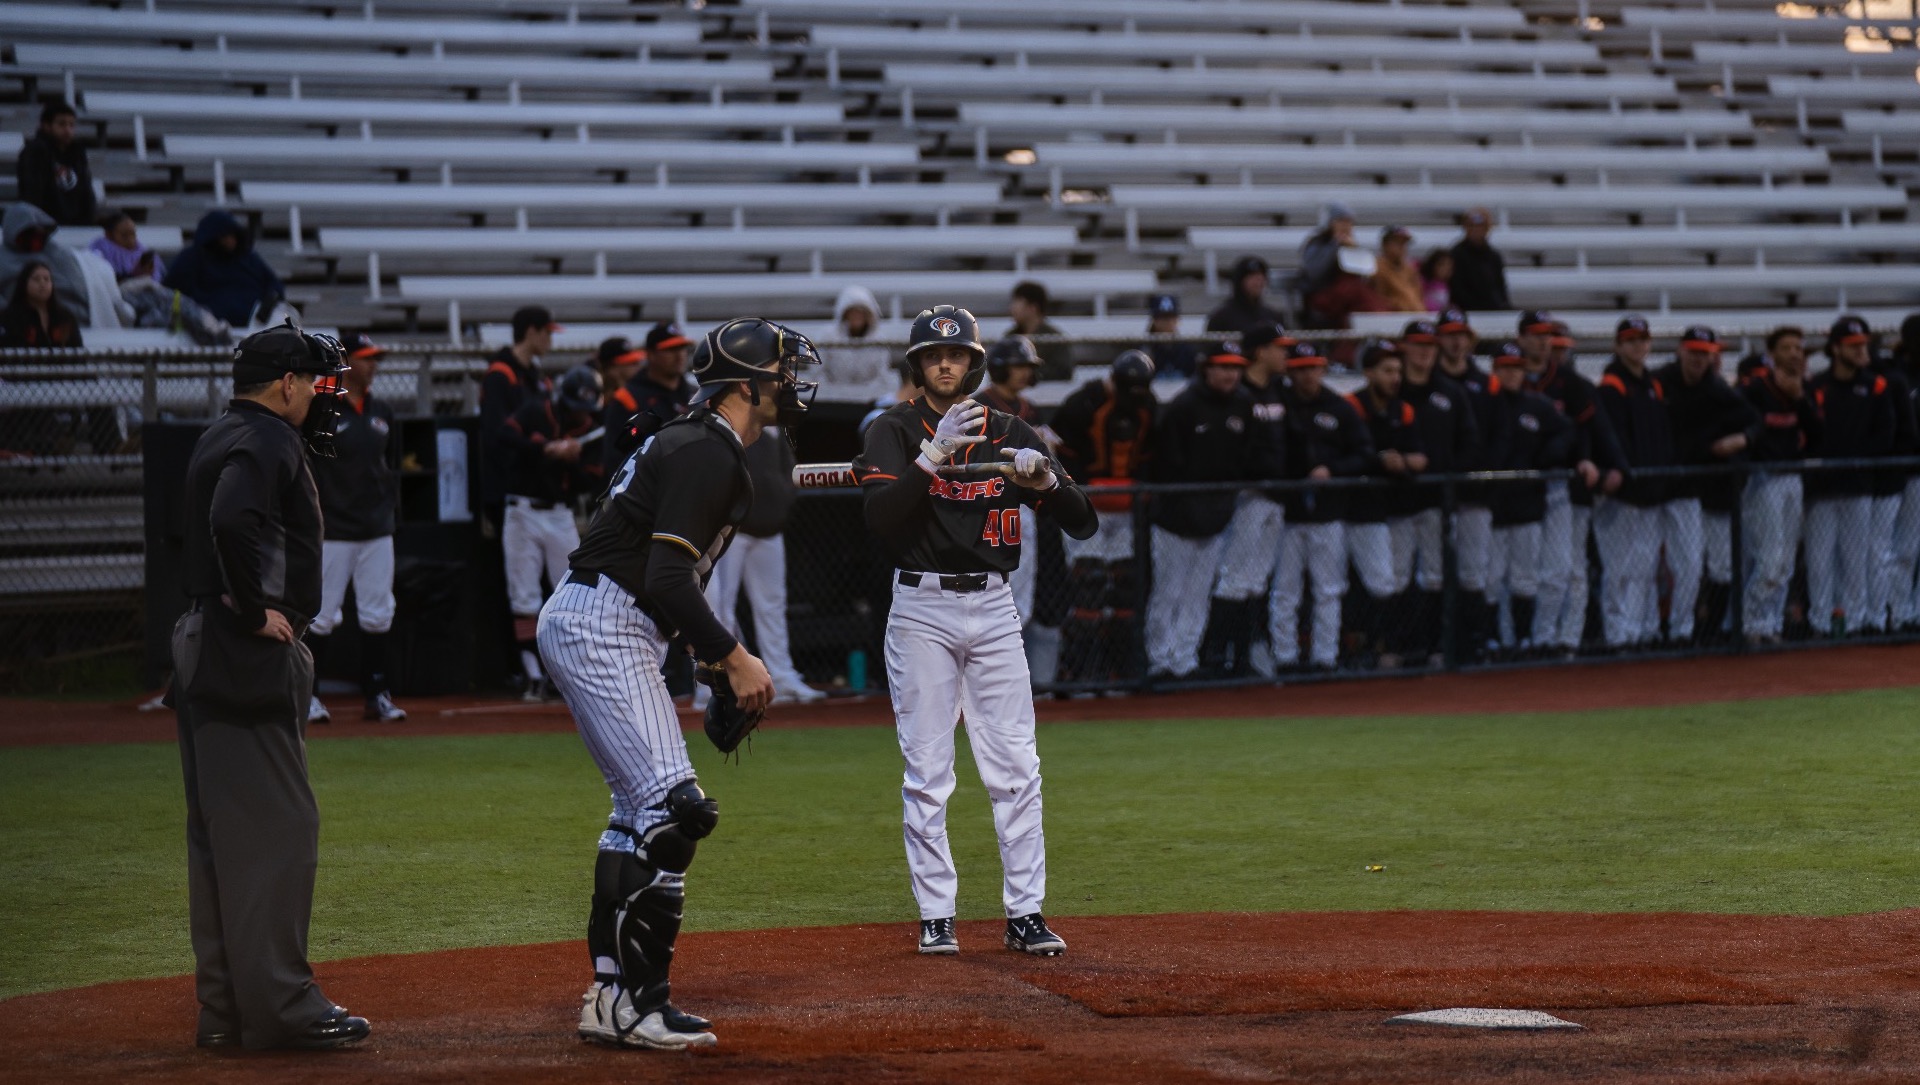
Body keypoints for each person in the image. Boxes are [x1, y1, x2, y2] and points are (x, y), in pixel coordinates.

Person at [545, 317, 817, 1050]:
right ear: (747, 385)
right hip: (607, 618)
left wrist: (703, 655)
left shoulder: (695, 439)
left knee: (638, 815)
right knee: (676, 813)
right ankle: (642, 1004)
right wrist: (732, 655)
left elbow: (659, 571)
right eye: (782, 374)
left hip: (602, 613)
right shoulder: (708, 449)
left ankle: (611, 996)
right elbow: (666, 574)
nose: (791, 386)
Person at [852, 305, 1095, 956]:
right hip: (921, 606)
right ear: (917, 365)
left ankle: (1026, 911)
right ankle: (937, 914)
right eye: (933, 355)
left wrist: (1045, 479)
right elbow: (882, 519)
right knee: (928, 768)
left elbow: (1082, 520)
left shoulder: (1011, 428)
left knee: (1016, 762)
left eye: (956, 354)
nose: (945, 363)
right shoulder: (893, 430)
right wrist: (931, 458)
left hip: (992, 605)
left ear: (974, 362)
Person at [166, 322, 370, 1051]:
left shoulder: (222, 432)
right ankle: (281, 1005)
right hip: (239, 654)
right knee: (280, 829)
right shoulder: (270, 439)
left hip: (201, 645)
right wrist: (255, 610)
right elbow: (230, 520)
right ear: (285, 384)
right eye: (317, 385)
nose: (324, 398)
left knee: (220, 835)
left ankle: (226, 1008)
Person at [1146, 340, 1278, 679]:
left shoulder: (1244, 404)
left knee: (1197, 594)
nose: (1229, 373)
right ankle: (1160, 661)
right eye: (1222, 366)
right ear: (1207, 369)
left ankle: (1185, 659)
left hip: (1216, 516)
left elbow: (1248, 455)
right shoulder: (1184, 406)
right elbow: (1166, 464)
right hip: (1175, 518)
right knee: (1168, 592)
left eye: (1235, 367)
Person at [305, 331, 406, 724]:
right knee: (322, 614)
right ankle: (308, 694)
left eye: (374, 358)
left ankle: (377, 693)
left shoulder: (382, 410)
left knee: (378, 612)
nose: (372, 366)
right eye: (365, 358)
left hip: (377, 527)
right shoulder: (322, 406)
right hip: (334, 529)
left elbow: (390, 462)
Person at [1048, 350, 1157, 682]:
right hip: (1087, 507)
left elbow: (1150, 456)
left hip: (1126, 509)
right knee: (1089, 584)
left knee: (1126, 586)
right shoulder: (1083, 404)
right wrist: (1086, 487)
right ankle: (1083, 671)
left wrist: (1136, 486)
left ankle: (1122, 670)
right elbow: (1060, 456)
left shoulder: (1147, 407)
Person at [499, 365, 604, 700]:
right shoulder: (537, 410)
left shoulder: (593, 429)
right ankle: (532, 675)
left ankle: (572, 673)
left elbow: (594, 479)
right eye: (574, 408)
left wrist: (571, 458)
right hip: (522, 509)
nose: (578, 415)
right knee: (524, 595)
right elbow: (505, 436)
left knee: (574, 594)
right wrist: (545, 447)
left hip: (560, 513)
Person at [1521, 310, 1622, 655]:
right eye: (1535, 334)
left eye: (1547, 335)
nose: (1543, 342)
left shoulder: (1572, 383)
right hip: (1520, 487)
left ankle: (1566, 638)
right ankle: (1528, 638)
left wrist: (1611, 465)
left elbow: (1596, 431)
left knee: (1569, 567)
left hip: (1566, 486)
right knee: (1518, 571)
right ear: (1522, 338)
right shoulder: (1510, 377)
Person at [1272, 341, 1374, 671]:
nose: (1307, 375)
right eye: (1300, 369)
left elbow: (1363, 454)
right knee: (1285, 591)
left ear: (1323, 368)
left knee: (1328, 590)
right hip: (1288, 514)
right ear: (1290, 371)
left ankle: (1324, 657)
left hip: (1329, 514)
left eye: (1313, 367)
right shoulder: (1278, 404)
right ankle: (1284, 657)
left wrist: (1332, 469)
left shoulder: (1339, 407)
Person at [1655, 326, 1760, 644]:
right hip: (1655, 483)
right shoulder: (1659, 381)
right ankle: (1648, 631)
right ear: (1680, 351)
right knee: (1645, 567)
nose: (1699, 359)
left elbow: (1754, 420)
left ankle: (1696, 631)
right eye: (1694, 351)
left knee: (1697, 566)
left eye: (1705, 353)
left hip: (1696, 488)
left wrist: (1742, 438)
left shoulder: (1716, 388)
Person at [1204, 322, 1292, 677]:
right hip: (1246, 497)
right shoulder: (1242, 395)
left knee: (1256, 579)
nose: (1283, 354)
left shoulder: (1276, 389)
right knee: (1235, 578)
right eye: (1278, 347)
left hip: (1274, 496)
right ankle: (1219, 656)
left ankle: (1244, 653)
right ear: (1259, 351)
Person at [1804, 315, 1897, 637]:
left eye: (1863, 345)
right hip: (1822, 488)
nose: (1861, 351)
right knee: (1819, 560)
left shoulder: (1876, 385)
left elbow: (1885, 434)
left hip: (1858, 486)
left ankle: (1854, 622)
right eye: (1853, 345)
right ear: (1836, 348)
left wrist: (1857, 459)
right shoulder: (1816, 386)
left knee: (1855, 560)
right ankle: (1820, 622)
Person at [1481, 342, 1576, 657]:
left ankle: (1523, 638)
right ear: (1494, 370)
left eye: (1517, 367)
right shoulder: (1484, 403)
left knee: (1524, 577)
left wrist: (1547, 457)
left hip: (1527, 505)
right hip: (1490, 506)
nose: (1511, 373)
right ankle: (1493, 639)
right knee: (1491, 578)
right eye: (1505, 367)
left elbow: (1566, 432)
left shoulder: (1537, 405)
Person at [1392, 319, 1478, 663]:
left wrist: (1447, 476)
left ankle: (1436, 646)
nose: (1425, 352)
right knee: (1394, 578)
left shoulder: (1451, 392)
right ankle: (1397, 647)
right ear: (1404, 348)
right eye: (1418, 345)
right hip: (1396, 500)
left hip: (1437, 502)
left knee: (1435, 576)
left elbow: (1469, 443)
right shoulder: (1392, 390)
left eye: (1430, 346)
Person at [1593, 316, 1677, 651]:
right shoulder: (1612, 385)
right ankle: (1619, 633)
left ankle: (1642, 628)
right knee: (1620, 567)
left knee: (1643, 566)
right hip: (1625, 493)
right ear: (1618, 346)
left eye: (1642, 340)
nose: (1638, 346)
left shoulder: (1652, 384)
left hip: (1649, 491)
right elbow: (1610, 437)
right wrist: (1623, 470)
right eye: (1630, 341)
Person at [1344, 339, 1427, 666]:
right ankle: (1357, 646)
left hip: (1394, 507)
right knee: (1351, 583)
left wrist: (1403, 460)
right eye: (1387, 370)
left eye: (1397, 370)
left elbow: (1419, 456)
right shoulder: (1351, 405)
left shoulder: (1402, 409)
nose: (1395, 377)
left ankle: (1387, 645)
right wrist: (1381, 460)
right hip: (1355, 510)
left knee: (1392, 581)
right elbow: (1352, 452)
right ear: (1368, 373)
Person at [1740, 326, 1821, 644]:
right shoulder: (1756, 389)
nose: (1794, 354)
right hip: (1764, 479)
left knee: (1786, 560)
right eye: (1787, 348)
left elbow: (1818, 435)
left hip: (1793, 478)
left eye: (1798, 348)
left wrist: (1800, 398)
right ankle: (1750, 623)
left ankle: (1771, 624)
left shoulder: (1805, 390)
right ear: (1772, 354)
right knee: (1770, 559)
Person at [1434, 307, 1498, 655]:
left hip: (1473, 493)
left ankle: (1475, 642)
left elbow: (1494, 435)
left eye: (1462, 334)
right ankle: (1442, 642)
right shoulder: (1427, 382)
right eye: (1450, 334)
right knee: (1433, 573)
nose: (1457, 341)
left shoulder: (1484, 382)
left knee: (1474, 572)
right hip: (1434, 496)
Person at [973, 335, 1046, 624]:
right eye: (1019, 365)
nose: (1025, 371)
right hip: (986, 500)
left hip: (1023, 503)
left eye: (1027, 365)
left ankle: (1014, 641)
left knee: (1023, 583)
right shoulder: (979, 405)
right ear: (1002, 367)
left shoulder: (1031, 408)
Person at [479, 305, 558, 516]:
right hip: (507, 487)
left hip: (533, 484)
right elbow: (496, 432)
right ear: (531, 332)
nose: (551, 340)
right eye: (547, 333)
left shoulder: (536, 377)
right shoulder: (500, 375)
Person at [163, 210, 284, 329]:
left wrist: (269, 303)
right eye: (225, 236)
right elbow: (170, 291)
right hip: (208, 329)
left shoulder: (248, 258)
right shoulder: (192, 258)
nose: (231, 240)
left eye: (233, 235)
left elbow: (274, 285)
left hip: (255, 327)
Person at [604, 320, 693, 471]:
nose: (679, 356)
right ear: (650, 355)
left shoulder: (695, 394)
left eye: (682, 348)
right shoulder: (628, 398)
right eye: (670, 349)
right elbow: (616, 459)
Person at [1296, 203, 1388, 328]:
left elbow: (1365, 273)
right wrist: (1335, 246)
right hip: (1324, 296)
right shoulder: (1317, 244)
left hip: (1348, 298)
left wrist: (1354, 251)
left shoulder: (1350, 244)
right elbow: (1315, 273)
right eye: (1341, 221)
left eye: (1349, 222)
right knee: (1358, 294)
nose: (1345, 226)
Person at [0, 202, 90, 324]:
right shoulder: (3, 258)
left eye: (38, 234)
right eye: (28, 233)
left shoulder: (58, 253)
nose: (34, 239)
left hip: (72, 320)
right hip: (20, 324)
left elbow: (79, 290)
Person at [16, 101, 95, 227]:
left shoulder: (78, 152)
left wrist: (88, 223)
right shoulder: (35, 151)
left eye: (71, 125)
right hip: (45, 226)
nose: (68, 130)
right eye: (62, 124)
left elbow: (86, 192)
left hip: (76, 225)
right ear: (46, 126)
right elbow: (32, 195)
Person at [0, 259, 82, 348]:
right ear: (24, 283)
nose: (42, 284)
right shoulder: (10, 316)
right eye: (36, 279)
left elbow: (77, 349)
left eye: (47, 279)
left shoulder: (65, 317)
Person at [828, 284, 893, 390]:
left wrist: (864, 393)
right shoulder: (828, 338)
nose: (856, 316)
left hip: (869, 400)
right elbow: (819, 374)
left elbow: (882, 376)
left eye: (861, 312)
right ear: (844, 314)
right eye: (852, 312)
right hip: (833, 399)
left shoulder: (880, 341)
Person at [1005, 280, 1072, 380]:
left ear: (1033, 307)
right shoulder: (1010, 337)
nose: (1012, 308)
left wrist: (1030, 375)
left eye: (1017, 302)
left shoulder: (1055, 338)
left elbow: (1064, 371)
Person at [1206, 254, 1287, 337]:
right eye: (1252, 277)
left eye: (1261, 277)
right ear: (1239, 281)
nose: (1258, 282)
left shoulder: (1272, 317)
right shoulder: (1221, 318)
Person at [1448, 208, 1510, 312]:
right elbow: (1456, 288)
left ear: (1487, 228)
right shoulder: (1456, 254)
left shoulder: (1494, 256)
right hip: (1467, 310)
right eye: (1471, 225)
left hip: (1494, 309)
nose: (1476, 230)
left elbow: (1500, 287)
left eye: (1480, 226)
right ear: (1465, 227)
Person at [90, 211, 164, 283]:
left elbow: (157, 281)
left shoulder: (144, 252)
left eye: (133, 234)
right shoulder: (100, 248)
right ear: (108, 234)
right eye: (124, 235)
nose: (130, 240)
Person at [1143, 292, 1202, 380]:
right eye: (1162, 317)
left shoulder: (1187, 350)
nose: (1167, 322)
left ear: (1177, 319)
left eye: (1171, 317)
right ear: (1154, 320)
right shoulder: (1145, 350)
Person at [1370, 225, 1426, 313]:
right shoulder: (1376, 269)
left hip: (1416, 315)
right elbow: (1378, 299)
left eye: (1404, 244)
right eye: (1398, 243)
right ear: (1385, 245)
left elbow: (1419, 295)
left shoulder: (1410, 269)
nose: (1402, 247)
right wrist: (1401, 306)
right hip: (1392, 319)